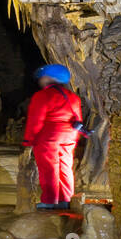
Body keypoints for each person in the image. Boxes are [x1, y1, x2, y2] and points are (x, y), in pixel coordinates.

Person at [21, 63, 89, 210]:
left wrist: (28, 140)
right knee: (65, 167)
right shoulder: (73, 97)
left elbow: (36, 120)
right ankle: (65, 199)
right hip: (70, 135)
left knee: (49, 168)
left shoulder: (42, 95)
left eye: (42, 77)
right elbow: (78, 119)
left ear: (48, 78)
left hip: (49, 136)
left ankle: (50, 200)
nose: (40, 80)